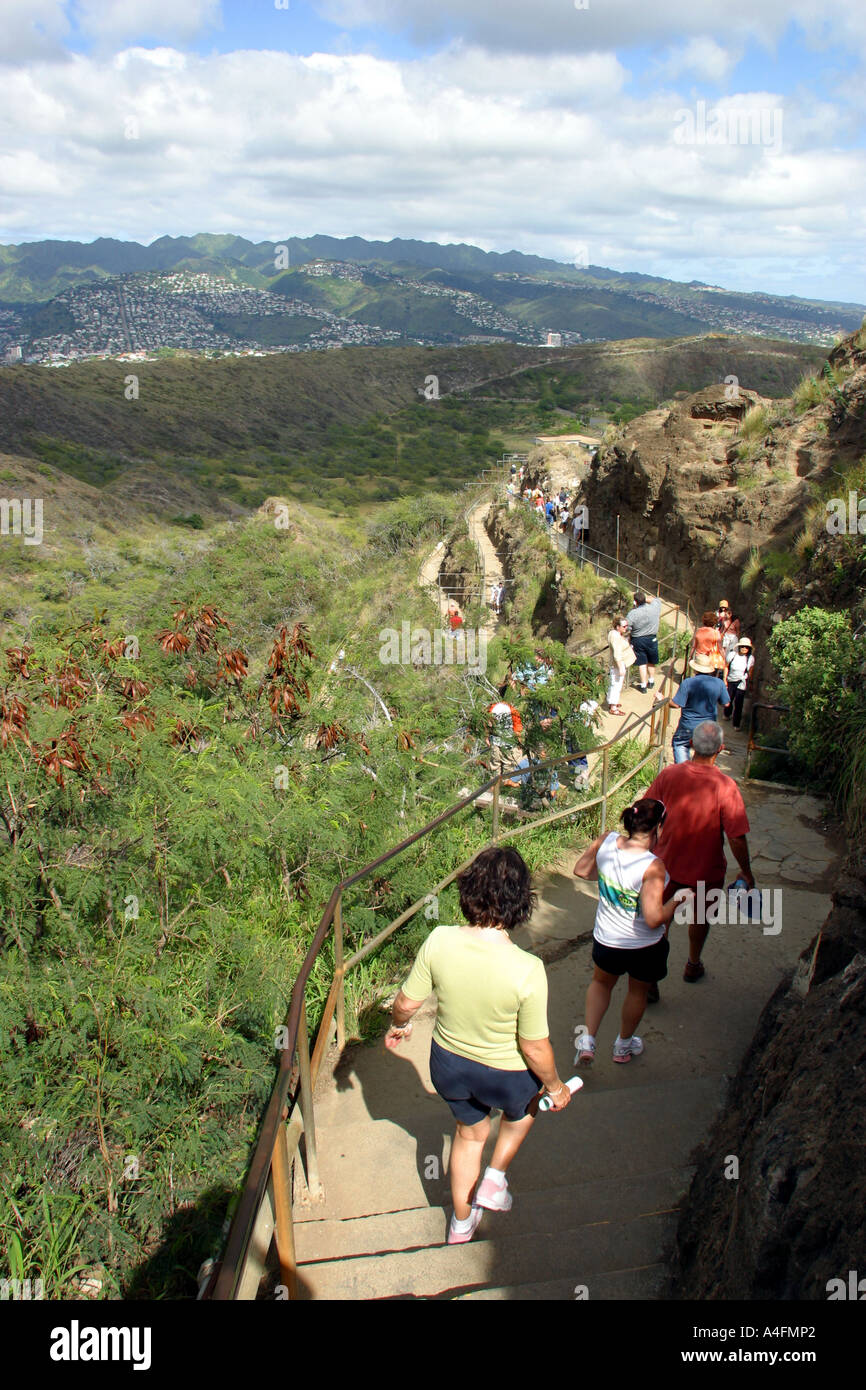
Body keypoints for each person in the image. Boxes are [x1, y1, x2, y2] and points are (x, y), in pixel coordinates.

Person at [386, 848, 572, 1244]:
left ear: (468, 890)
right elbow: (535, 1047)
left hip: (449, 1066)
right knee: (524, 1110)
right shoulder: (528, 969)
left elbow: (405, 1003)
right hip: (506, 1076)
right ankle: (496, 1175)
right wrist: (555, 1088)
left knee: (468, 1137)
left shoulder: (439, 940)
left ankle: (460, 1223)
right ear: (522, 902)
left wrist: (400, 1026)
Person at [572, 799, 692, 1064]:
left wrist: (607, 882)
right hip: (643, 946)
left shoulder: (606, 840)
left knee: (601, 983)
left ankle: (588, 1041)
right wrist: (679, 900)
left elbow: (580, 870)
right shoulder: (653, 866)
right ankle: (623, 1046)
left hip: (607, 939)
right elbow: (653, 918)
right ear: (657, 828)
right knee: (637, 992)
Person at [645, 720, 753, 993]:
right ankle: (693, 963)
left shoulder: (669, 775)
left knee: (660, 919)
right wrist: (746, 871)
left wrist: (643, 850)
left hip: (666, 861)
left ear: (691, 745)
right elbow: (736, 836)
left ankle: (651, 977)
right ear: (721, 749)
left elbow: (647, 811)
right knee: (702, 916)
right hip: (707, 866)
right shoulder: (725, 786)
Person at [669, 652, 729, 762]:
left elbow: (676, 704)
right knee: (703, 754)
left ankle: (683, 772)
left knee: (680, 745)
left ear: (695, 668)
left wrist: (665, 699)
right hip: (708, 728)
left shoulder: (688, 683)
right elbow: (726, 704)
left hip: (688, 725)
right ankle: (697, 774)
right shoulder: (719, 683)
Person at [625, 590, 662, 695]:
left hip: (638, 640)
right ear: (645, 600)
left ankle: (643, 685)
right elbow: (657, 599)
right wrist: (648, 599)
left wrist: (633, 608)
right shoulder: (654, 607)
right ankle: (651, 681)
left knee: (642, 663)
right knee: (651, 661)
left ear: (635, 602)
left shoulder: (633, 613)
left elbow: (627, 626)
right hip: (652, 638)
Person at [485, 697, 523, 779]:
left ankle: (495, 788)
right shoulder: (512, 710)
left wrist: (487, 737)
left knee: (495, 768)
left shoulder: (492, 708)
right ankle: (505, 787)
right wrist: (520, 743)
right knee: (508, 768)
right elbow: (517, 730)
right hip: (509, 745)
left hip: (495, 743)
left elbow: (487, 725)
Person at [724, 636, 755, 730]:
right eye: (742, 647)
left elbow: (750, 672)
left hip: (742, 682)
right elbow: (726, 666)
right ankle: (727, 714)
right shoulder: (732, 655)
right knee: (729, 699)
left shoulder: (750, 658)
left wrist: (750, 683)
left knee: (739, 703)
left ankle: (736, 724)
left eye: (746, 647)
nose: (744, 649)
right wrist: (724, 679)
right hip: (731, 680)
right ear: (739, 647)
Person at [607, 617, 634, 716]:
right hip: (618, 665)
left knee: (614, 684)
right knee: (616, 685)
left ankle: (612, 702)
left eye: (627, 626)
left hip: (616, 665)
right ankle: (613, 707)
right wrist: (621, 667)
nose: (626, 628)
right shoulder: (616, 637)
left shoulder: (614, 633)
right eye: (624, 626)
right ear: (618, 627)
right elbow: (617, 654)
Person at [690, 610, 727, 680]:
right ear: (714, 623)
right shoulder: (716, 633)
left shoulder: (698, 631)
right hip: (710, 659)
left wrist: (690, 656)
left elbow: (693, 646)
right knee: (709, 679)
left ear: (704, 621)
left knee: (698, 677)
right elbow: (720, 648)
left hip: (699, 658)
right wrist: (724, 658)